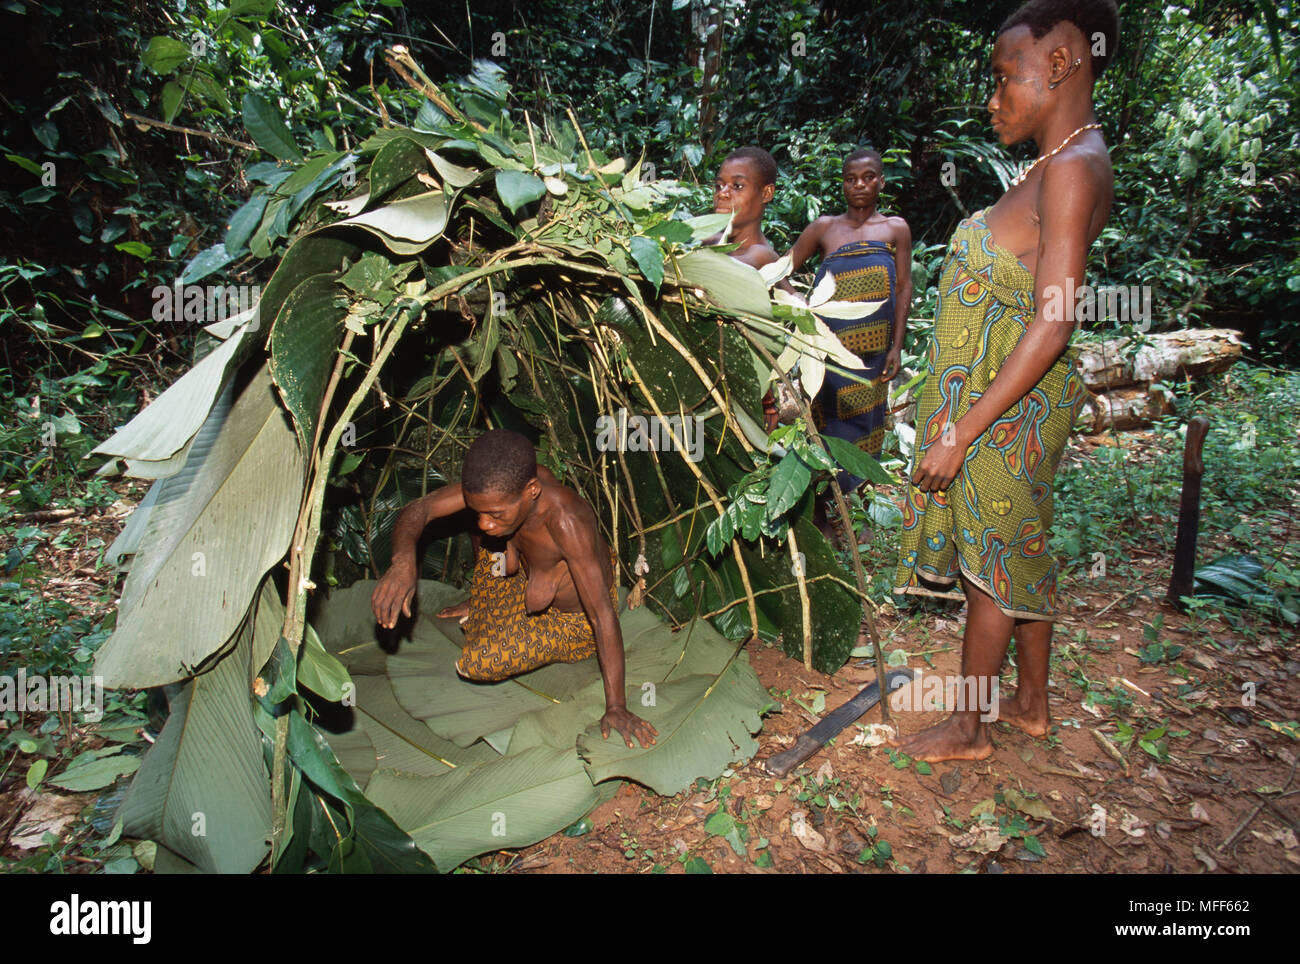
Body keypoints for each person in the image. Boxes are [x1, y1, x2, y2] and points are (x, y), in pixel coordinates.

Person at [892, 0, 1118, 761]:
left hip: (1008, 409)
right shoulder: (1060, 164)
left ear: (1060, 64)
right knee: (1019, 546)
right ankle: (1030, 704)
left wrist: (962, 429)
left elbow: (1053, 321)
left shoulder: (1075, 171)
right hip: (1014, 399)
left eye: (1002, 79)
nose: (992, 100)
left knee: (988, 567)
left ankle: (970, 725)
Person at [371, 429, 658, 749]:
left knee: (479, 662)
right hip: (522, 572)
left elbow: (602, 615)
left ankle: (489, 604)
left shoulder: (565, 521)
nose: (483, 523)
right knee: (494, 552)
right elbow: (420, 509)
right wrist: (402, 563)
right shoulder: (502, 489)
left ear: (532, 490)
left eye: (495, 514)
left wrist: (616, 707)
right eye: (479, 510)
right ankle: (485, 599)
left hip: (572, 622)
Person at [787, 148, 913, 486]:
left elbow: (903, 288)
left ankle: (853, 494)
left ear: (881, 182)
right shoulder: (824, 228)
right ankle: (820, 504)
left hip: (871, 358)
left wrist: (896, 347)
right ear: (842, 185)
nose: (859, 185)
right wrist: (797, 300)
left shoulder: (895, 229)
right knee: (825, 427)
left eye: (868, 177)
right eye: (850, 179)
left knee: (866, 426)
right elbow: (781, 269)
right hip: (827, 354)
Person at [711, 146, 780, 269]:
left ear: (767, 193)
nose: (722, 194)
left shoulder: (763, 256)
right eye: (719, 186)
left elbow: (711, 267)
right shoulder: (710, 240)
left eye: (737, 186)